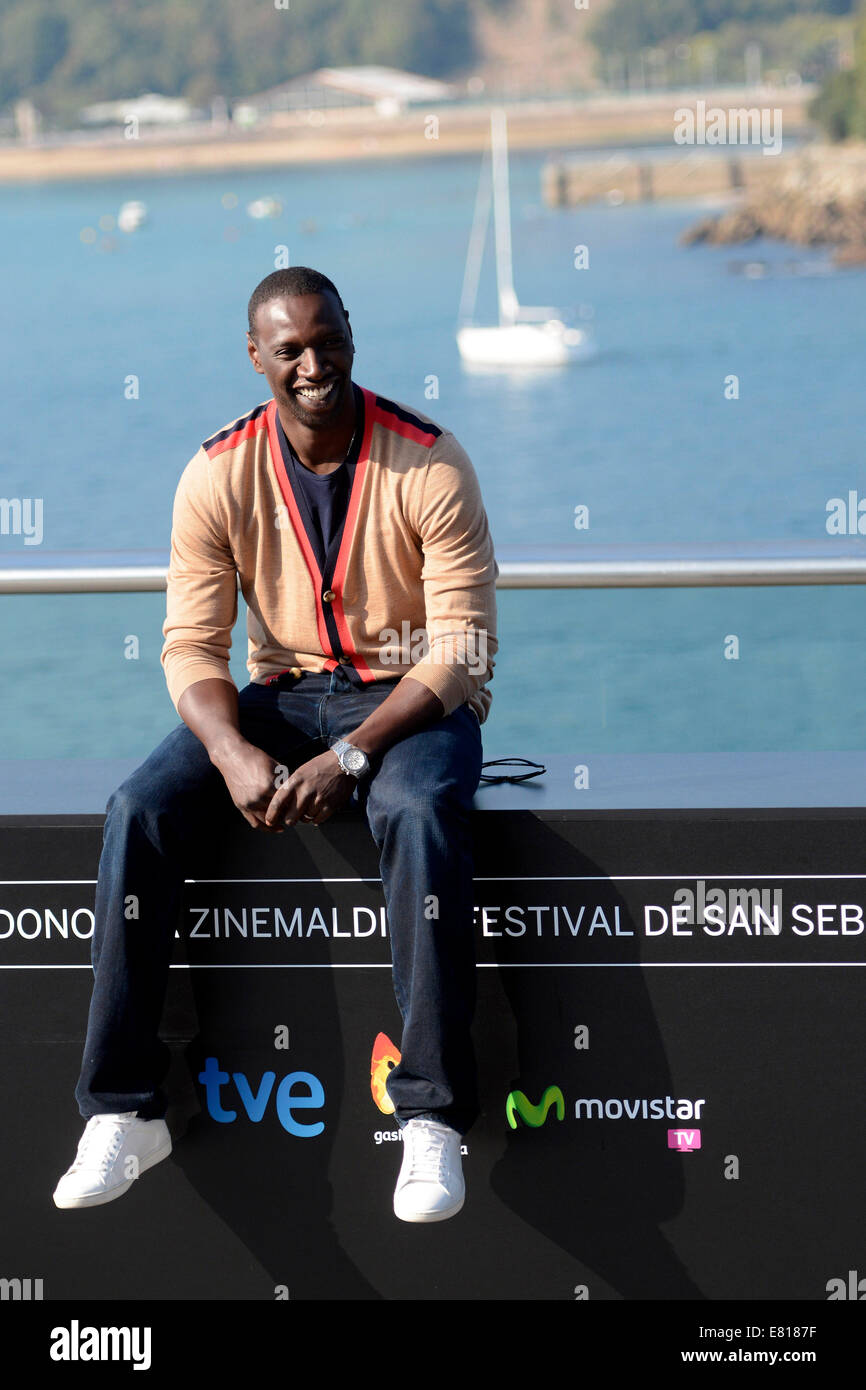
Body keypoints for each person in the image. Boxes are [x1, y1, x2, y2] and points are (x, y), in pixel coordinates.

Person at [53, 266, 498, 1224]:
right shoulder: (217, 470)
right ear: (255, 357)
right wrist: (228, 751)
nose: (312, 363)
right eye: (288, 348)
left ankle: (431, 1119)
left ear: (351, 336)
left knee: (417, 810)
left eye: (325, 339)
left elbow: (463, 646)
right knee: (139, 807)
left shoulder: (431, 458)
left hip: (410, 697)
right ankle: (127, 1112)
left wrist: (355, 756)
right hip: (281, 698)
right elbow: (190, 644)